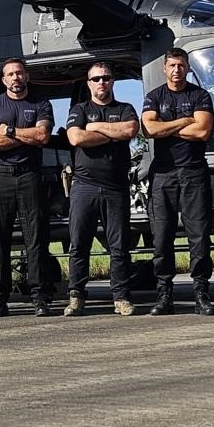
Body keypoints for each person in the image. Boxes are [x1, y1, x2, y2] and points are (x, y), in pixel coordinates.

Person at [142, 48, 214, 316]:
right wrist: (186, 121)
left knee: (199, 237)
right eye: (172, 65)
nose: (177, 70)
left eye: (181, 65)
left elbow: (203, 131)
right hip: (163, 175)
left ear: (188, 68)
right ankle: (164, 294)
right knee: (161, 238)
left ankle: (201, 292)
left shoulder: (200, 95)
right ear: (164, 68)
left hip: (194, 173)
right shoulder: (154, 97)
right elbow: (150, 129)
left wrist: (169, 126)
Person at [0, 58, 56, 317]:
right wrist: (26, 135)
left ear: (27, 76)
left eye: (19, 73)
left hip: (30, 177)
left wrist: (10, 131)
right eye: (10, 74)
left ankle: (40, 298)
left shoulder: (41, 104)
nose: (15, 77)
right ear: (4, 79)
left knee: (36, 239)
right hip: (1, 177)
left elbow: (43, 136)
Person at [64, 62, 141, 317]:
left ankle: (120, 297)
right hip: (84, 186)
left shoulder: (125, 108)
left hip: (115, 187)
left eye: (106, 78)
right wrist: (112, 134)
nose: (101, 83)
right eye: (96, 79)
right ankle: (76, 296)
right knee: (79, 245)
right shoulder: (79, 109)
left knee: (119, 246)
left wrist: (95, 127)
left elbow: (130, 130)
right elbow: (76, 138)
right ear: (89, 83)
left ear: (112, 82)